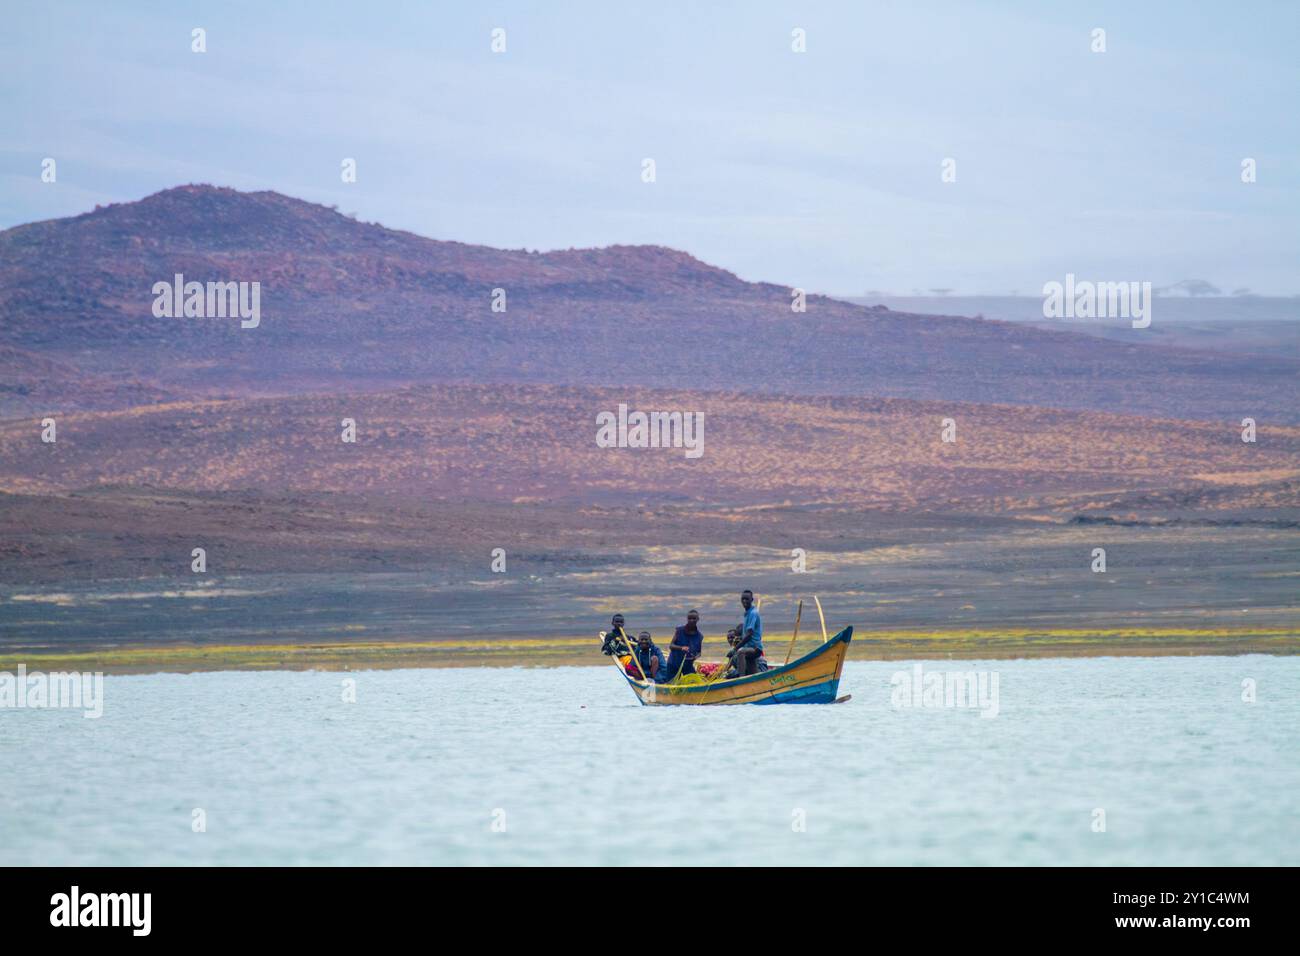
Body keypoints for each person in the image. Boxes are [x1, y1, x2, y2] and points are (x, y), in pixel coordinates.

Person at [728, 589, 764, 677]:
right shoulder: (747, 613)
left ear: (751, 600)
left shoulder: (753, 613)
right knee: (754, 674)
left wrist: (735, 649)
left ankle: (741, 679)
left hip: (755, 648)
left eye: (747, 599)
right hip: (749, 648)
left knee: (740, 652)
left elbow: (749, 634)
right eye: (743, 599)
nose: (744, 601)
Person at [664, 609, 704, 680]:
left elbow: (699, 653)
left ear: (698, 619)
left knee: (694, 682)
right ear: (687, 619)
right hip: (674, 663)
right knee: (671, 685)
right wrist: (681, 648)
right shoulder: (679, 631)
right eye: (689, 618)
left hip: (687, 665)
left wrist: (695, 657)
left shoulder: (700, 636)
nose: (691, 620)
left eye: (694, 618)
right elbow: (671, 645)